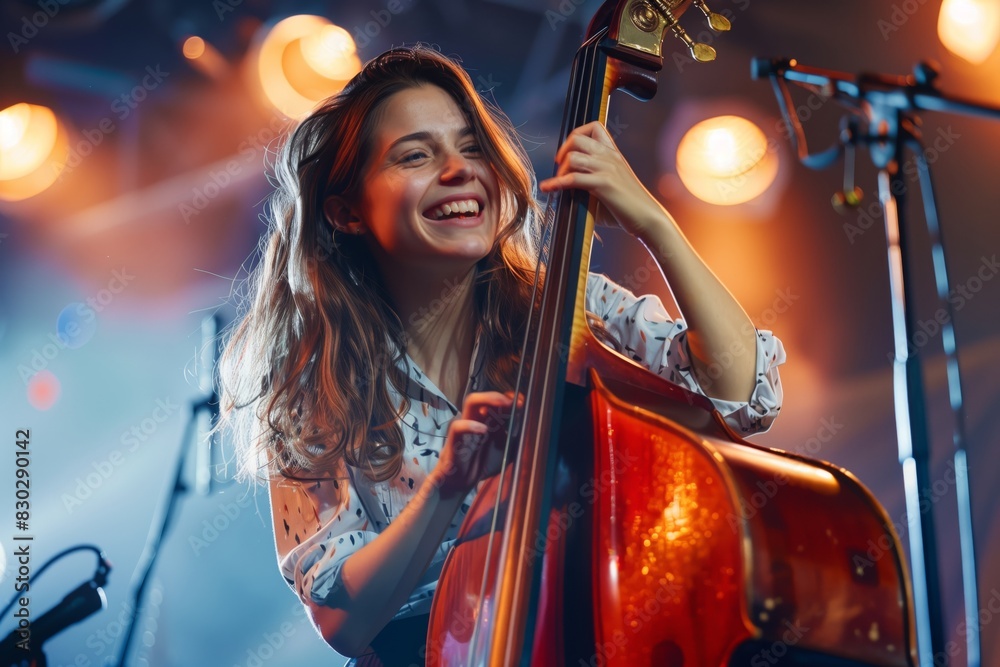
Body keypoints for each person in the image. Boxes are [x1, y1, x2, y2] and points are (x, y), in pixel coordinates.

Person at [217, 45, 784, 665]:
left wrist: (653, 220)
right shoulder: (315, 383)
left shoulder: (573, 312)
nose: (461, 170)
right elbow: (345, 624)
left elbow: (741, 400)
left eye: (471, 147)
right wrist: (447, 484)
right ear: (346, 213)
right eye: (415, 155)